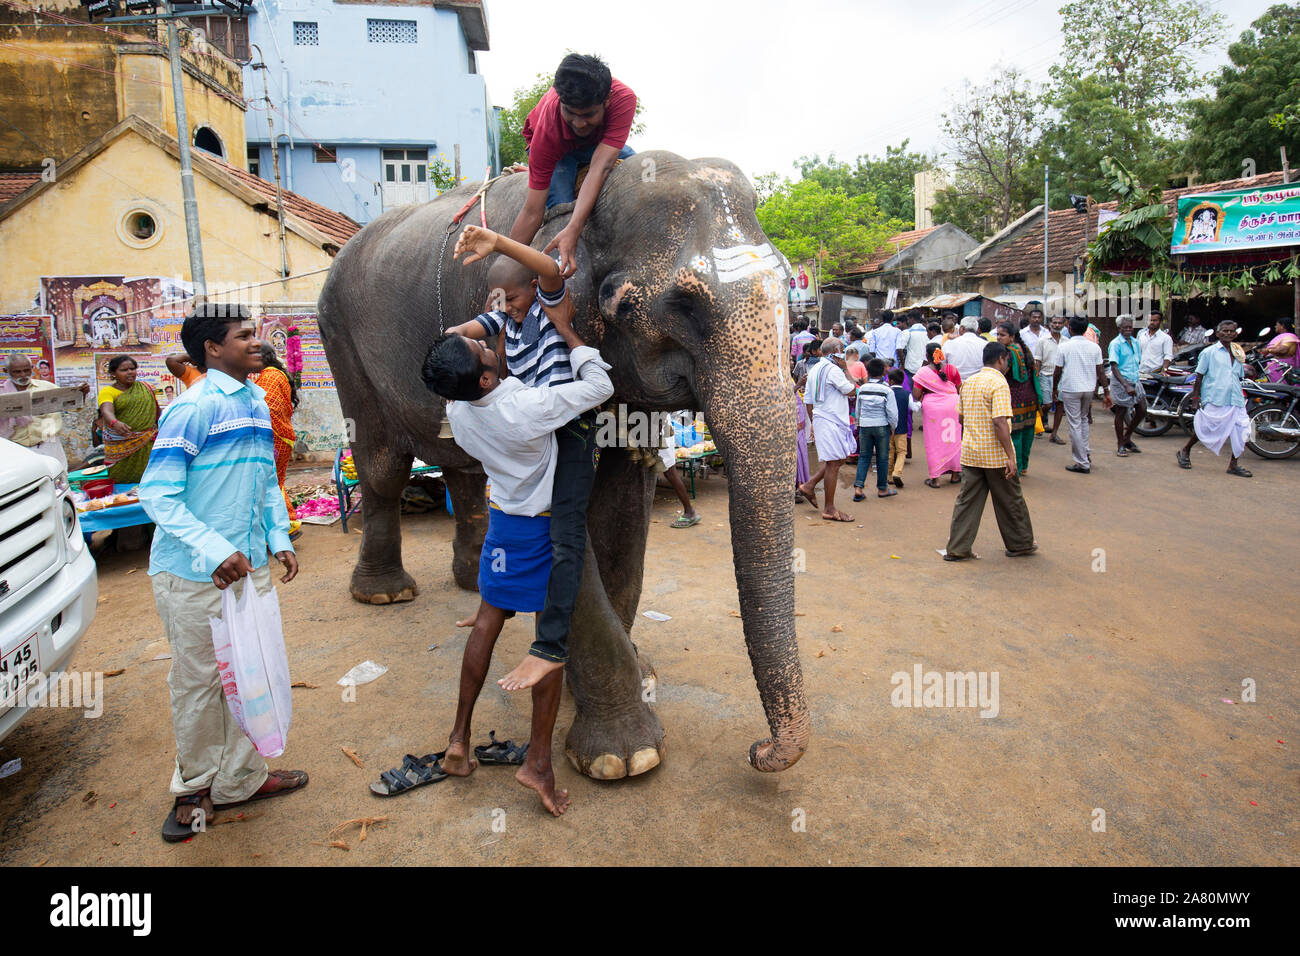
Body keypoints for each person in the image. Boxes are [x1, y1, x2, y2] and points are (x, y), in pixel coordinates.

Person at [416, 303, 615, 816]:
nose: (492, 343)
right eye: (485, 348)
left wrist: (480, 324)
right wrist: (571, 335)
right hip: (541, 527)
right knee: (549, 641)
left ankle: (458, 740)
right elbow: (598, 388)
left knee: (488, 619)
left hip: (502, 521)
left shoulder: (458, 411)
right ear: (485, 377)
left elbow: (471, 357)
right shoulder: (526, 406)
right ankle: (539, 762)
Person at [138, 303, 304, 843]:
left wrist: (278, 539)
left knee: (249, 674)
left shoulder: (256, 400)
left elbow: (263, 484)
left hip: (248, 568)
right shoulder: (193, 409)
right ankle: (194, 790)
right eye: (245, 335)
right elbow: (157, 492)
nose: (257, 342)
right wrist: (213, 550)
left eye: (255, 333)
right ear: (212, 349)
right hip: (194, 575)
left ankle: (239, 780)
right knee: (201, 684)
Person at [443, 223, 597, 689]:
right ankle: (499, 598)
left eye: (511, 297)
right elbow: (467, 331)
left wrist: (500, 243)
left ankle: (549, 646)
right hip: (536, 423)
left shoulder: (546, 305)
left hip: (570, 425)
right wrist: (453, 347)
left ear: (531, 289)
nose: (506, 307)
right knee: (511, 509)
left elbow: (550, 270)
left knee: (565, 536)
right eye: (500, 301)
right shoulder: (506, 316)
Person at [508, 54, 637, 278]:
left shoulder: (623, 99)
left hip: (595, 145)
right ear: (560, 100)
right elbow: (532, 211)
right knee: (563, 211)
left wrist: (576, 227)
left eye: (588, 114)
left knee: (638, 170)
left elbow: (601, 166)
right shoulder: (547, 130)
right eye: (570, 113)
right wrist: (505, 269)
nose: (578, 123)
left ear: (607, 101)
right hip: (558, 151)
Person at [943, 342, 1036, 561]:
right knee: (1011, 500)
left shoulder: (970, 382)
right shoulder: (999, 383)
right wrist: (1011, 456)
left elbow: (961, 418)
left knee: (967, 502)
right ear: (1001, 359)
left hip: (971, 452)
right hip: (995, 455)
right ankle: (1020, 543)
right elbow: (1000, 421)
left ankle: (957, 547)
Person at [1177, 320, 1253, 478]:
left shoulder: (1238, 352)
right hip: (1215, 396)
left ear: (1236, 333)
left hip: (1235, 398)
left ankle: (1233, 465)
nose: (1228, 333)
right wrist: (1196, 397)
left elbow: (1238, 375)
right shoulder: (1209, 352)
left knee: (1243, 430)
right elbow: (1199, 376)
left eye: (1231, 331)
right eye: (1224, 331)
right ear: (1218, 333)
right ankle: (1185, 450)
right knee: (1206, 427)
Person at [799, 338, 863, 520]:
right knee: (834, 463)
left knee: (838, 459)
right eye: (842, 349)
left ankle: (809, 485)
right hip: (831, 420)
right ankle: (829, 508)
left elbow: (809, 401)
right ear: (835, 351)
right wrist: (845, 369)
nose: (843, 352)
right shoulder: (834, 369)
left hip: (823, 419)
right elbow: (851, 390)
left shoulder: (815, 369)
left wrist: (814, 423)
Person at [0, 353, 89, 473]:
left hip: (48, 444)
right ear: (6, 371)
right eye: (17, 372)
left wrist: (82, 395)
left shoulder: (47, 387)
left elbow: (73, 406)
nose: (23, 375)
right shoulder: (2, 392)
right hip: (17, 448)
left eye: (27, 370)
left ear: (32, 369)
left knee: (58, 480)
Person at [253, 343, 301, 540]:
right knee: (274, 482)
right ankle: (283, 526)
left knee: (270, 483)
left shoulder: (271, 376)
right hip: (278, 436)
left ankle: (284, 527)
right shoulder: (274, 375)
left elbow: (269, 409)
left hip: (274, 437)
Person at [1055, 317, 1111, 474]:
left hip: (1071, 388)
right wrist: (1106, 391)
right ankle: (1085, 453)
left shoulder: (1064, 347)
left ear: (1070, 329)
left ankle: (1082, 462)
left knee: (1075, 424)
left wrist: (1054, 389)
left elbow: (1057, 371)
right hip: (1088, 389)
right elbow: (1100, 371)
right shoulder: (1095, 348)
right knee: (1083, 420)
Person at [97, 355, 159, 483]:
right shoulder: (108, 391)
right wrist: (115, 422)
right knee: (121, 480)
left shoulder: (145, 388)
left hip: (148, 442)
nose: (130, 372)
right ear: (113, 373)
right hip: (121, 445)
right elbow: (106, 410)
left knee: (149, 478)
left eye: (132, 368)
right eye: (124, 370)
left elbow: (156, 412)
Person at [912, 342, 963, 488]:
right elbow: (959, 389)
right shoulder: (951, 369)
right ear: (941, 354)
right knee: (953, 439)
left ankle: (935, 479)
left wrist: (927, 392)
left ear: (927, 356)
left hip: (933, 409)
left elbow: (916, 395)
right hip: (953, 406)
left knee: (934, 441)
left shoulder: (922, 372)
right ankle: (955, 475)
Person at [995, 321, 1039, 474]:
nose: (999, 338)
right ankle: (1024, 466)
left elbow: (1002, 372)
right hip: (1030, 396)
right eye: (998, 335)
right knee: (1027, 431)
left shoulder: (1008, 353)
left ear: (1012, 336)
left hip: (1015, 397)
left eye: (1002, 335)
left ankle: (1017, 468)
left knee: (1016, 433)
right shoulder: (1024, 348)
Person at [850, 357, 896, 500]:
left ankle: (858, 487)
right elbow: (892, 413)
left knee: (864, 457)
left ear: (868, 372)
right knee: (882, 458)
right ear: (883, 372)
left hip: (865, 425)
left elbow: (858, 410)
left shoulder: (862, 389)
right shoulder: (887, 390)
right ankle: (882, 489)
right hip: (882, 425)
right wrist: (893, 427)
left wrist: (859, 423)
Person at [1107, 315, 1146, 457]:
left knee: (1142, 410)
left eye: (1130, 327)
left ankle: (1127, 437)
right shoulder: (1116, 343)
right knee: (1121, 413)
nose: (1129, 329)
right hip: (1121, 382)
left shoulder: (1135, 342)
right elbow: (1114, 366)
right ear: (1119, 329)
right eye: (1125, 327)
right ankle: (1120, 444)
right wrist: (1125, 385)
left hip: (1135, 380)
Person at [1034, 315, 1066, 443]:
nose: (1057, 325)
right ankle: (1039, 422)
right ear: (1050, 324)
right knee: (1047, 403)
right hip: (1045, 375)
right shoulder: (1042, 341)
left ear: (1064, 325)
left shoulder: (1066, 341)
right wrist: (1035, 379)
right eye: (1054, 322)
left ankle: (1054, 433)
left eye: (1059, 323)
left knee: (1059, 405)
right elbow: (1038, 361)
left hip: (1062, 377)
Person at [886, 367, 914, 489]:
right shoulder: (907, 394)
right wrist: (920, 403)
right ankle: (897, 472)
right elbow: (914, 407)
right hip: (902, 428)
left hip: (888, 428)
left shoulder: (887, 392)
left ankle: (889, 476)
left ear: (890, 381)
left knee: (889, 452)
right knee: (902, 452)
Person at [944, 317, 987, 384]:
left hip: (953, 386)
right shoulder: (985, 344)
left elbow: (941, 364)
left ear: (961, 328)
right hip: (978, 385)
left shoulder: (949, 344)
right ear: (977, 329)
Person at [1261, 317, 1299, 382]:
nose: (1275, 326)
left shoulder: (1290, 337)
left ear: (1282, 326)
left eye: (1277, 325)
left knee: (1281, 387)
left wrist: (1269, 350)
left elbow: (1283, 350)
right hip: (1276, 367)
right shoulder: (1282, 336)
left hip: (1283, 368)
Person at [1137, 309, 1174, 377]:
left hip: (1156, 373)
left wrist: (1164, 370)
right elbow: (1137, 353)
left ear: (1160, 321)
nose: (1152, 322)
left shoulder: (1166, 338)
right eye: (1150, 320)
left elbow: (1168, 356)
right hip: (1141, 372)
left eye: (1155, 320)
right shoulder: (1142, 336)